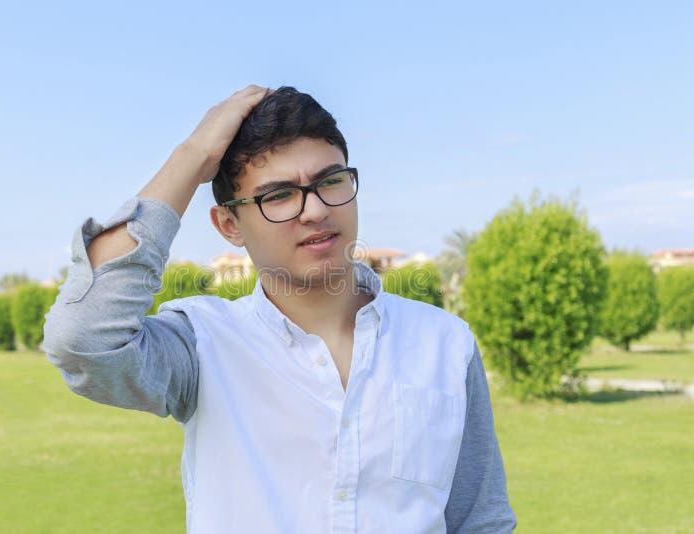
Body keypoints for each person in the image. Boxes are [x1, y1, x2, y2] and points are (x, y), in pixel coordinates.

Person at [43, 84, 517, 533]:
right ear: (229, 224)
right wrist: (192, 156)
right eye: (279, 195)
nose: (315, 210)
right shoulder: (204, 345)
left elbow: (480, 520)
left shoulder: (445, 343)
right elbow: (84, 339)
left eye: (330, 181)